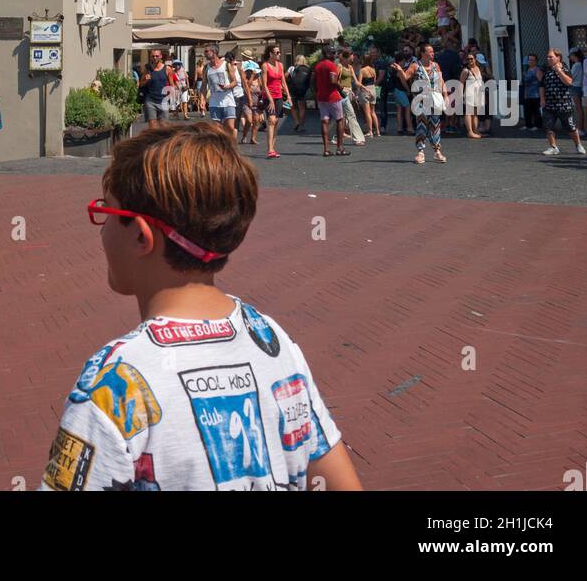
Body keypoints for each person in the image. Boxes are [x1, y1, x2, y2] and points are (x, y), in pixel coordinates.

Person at [41, 123, 362, 492]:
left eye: (108, 212)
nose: (101, 229)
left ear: (141, 236)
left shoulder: (113, 384)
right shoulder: (272, 339)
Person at [394, 44, 447, 165]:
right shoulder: (415, 66)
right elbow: (406, 77)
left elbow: (441, 80)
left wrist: (446, 95)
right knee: (422, 125)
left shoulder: (436, 66)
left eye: (433, 52)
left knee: (435, 126)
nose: (433, 53)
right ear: (423, 53)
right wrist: (400, 70)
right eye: (431, 52)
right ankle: (420, 151)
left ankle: (437, 151)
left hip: (434, 99)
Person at [541, 50, 586, 157]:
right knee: (548, 126)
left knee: (570, 127)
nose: (548, 59)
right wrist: (542, 99)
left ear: (558, 57)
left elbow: (569, 82)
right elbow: (542, 86)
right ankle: (553, 147)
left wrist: (559, 71)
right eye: (547, 57)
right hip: (549, 104)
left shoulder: (565, 68)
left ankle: (578, 144)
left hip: (563, 104)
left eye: (551, 57)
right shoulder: (546, 71)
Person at [259, 44, 290, 159]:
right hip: (268, 96)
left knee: (276, 122)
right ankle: (270, 149)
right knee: (271, 120)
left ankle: (273, 147)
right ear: (271, 54)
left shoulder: (281, 65)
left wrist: (289, 96)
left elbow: (283, 82)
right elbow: (264, 85)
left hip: (279, 96)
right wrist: (270, 100)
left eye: (279, 52)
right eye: (277, 52)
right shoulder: (265, 66)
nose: (279, 54)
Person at [314, 45, 345, 157]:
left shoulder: (318, 66)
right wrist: (340, 86)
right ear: (327, 54)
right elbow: (333, 80)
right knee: (340, 119)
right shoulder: (331, 65)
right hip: (333, 96)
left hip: (321, 97)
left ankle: (326, 149)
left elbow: (313, 80)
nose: (335, 55)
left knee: (324, 121)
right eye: (333, 53)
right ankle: (340, 148)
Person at [202, 45, 239, 139]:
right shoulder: (206, 67)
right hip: (214, 102)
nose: (204, 53)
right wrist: (202, 99)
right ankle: (221, 150)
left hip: (228, 101)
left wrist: (228, 86)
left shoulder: (226, 65)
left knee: (230, 128)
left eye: (206, 51)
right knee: (216, 129)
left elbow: (235, 82)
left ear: (213, 52)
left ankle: (232, 150)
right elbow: (204, 85)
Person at [138, 49, 177, 128]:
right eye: (153, 56)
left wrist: (173, 102)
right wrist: (145, 80)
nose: (155, 58)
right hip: (150, 101)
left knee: (164, 126)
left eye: (157, 56)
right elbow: (140, 84)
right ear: (150, 57)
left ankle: (163, 140)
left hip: (163, 101)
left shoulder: (167, 69)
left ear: (161, 56)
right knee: (153, 126)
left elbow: (172, 85)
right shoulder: (148, 70)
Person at [337, 49, 366, 146]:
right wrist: (342, 89)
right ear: (347, 57)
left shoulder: (350, 67)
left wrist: (363, 87)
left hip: (348, 92)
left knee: (341, 116)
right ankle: (357, 138)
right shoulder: (339, 66)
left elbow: (356, 81)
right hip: (341, 93)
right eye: (352, 56)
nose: (353, 58)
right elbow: (335, 81)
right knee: (351, 114)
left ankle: (333, 136)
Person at [436, 38, 463, 134]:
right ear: (452, 44)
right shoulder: (455, 56)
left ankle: (446, 124)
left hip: (442, 82)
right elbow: (457, 70)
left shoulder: (440, 56)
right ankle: (451, 124)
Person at [225, 47, 252, 139]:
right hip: (227, 98)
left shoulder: (239, 69)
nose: (228, 64)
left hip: (239, 97)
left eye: (229, 61)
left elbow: (245, 85)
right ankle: (230, 141)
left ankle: (236, 140)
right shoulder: (224, 70)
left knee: (236, 121)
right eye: (226, 62)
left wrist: (249, 99)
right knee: (229, 122)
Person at [459, 49, 485, 138]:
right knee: (469, 112)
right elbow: (461, 83)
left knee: (475, 113)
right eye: (468, 59)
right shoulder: (466, 71)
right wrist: (461, 95)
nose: (470, 61)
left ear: (475, 59)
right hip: (469, 94)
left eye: (471, 59)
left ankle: (475, 130)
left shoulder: (478, 68)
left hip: (478, 94)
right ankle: (470, 131)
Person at [389, 46, 415, 135]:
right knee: (407, 108)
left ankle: (399, 127)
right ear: (399, 61)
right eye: (403, 61)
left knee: (399, 109)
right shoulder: (399, 70)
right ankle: (409, 128)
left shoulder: (394, 68)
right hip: (400, 91)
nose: (405, 62)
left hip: (396, 91)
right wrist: (408, 91)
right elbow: (404, 82)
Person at [354, 51, 379, 137]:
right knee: (373, 112)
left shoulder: (362, 70)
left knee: (367, 113)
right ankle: (378, 131)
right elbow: (375, 81)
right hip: (373, 89)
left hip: (365, 90)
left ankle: (370, 131)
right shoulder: (373, 69)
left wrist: (357, 93)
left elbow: (359, 83)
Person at [287, 52, 312, 133]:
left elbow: (284, 76)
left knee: (293, 107)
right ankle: (301, 125)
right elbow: (311, 80)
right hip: (303, 91)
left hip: (293, 90)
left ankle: (296, 122)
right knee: (302, 108)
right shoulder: (308, 68)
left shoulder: (292, 68)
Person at [568, 49, 587, 138]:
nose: (570, 58)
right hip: (579, 87)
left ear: (574, 55)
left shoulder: (577, 65)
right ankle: (580, 128)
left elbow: (571, 77)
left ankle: (580, 129)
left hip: (575, 87)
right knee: (579, 109)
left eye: (570, 56)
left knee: (579, 109)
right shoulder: (581, 64)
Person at [522, 54, 543, 131]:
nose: (530, 61)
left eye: (532, 60)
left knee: (536, 111)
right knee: (527, 110)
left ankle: (538, 125)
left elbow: (541, 81)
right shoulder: (527, 70)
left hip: (536, 94)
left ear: (536, 61)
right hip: (527, 94)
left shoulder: (537, 70)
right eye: (529, 60)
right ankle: (528, 125)